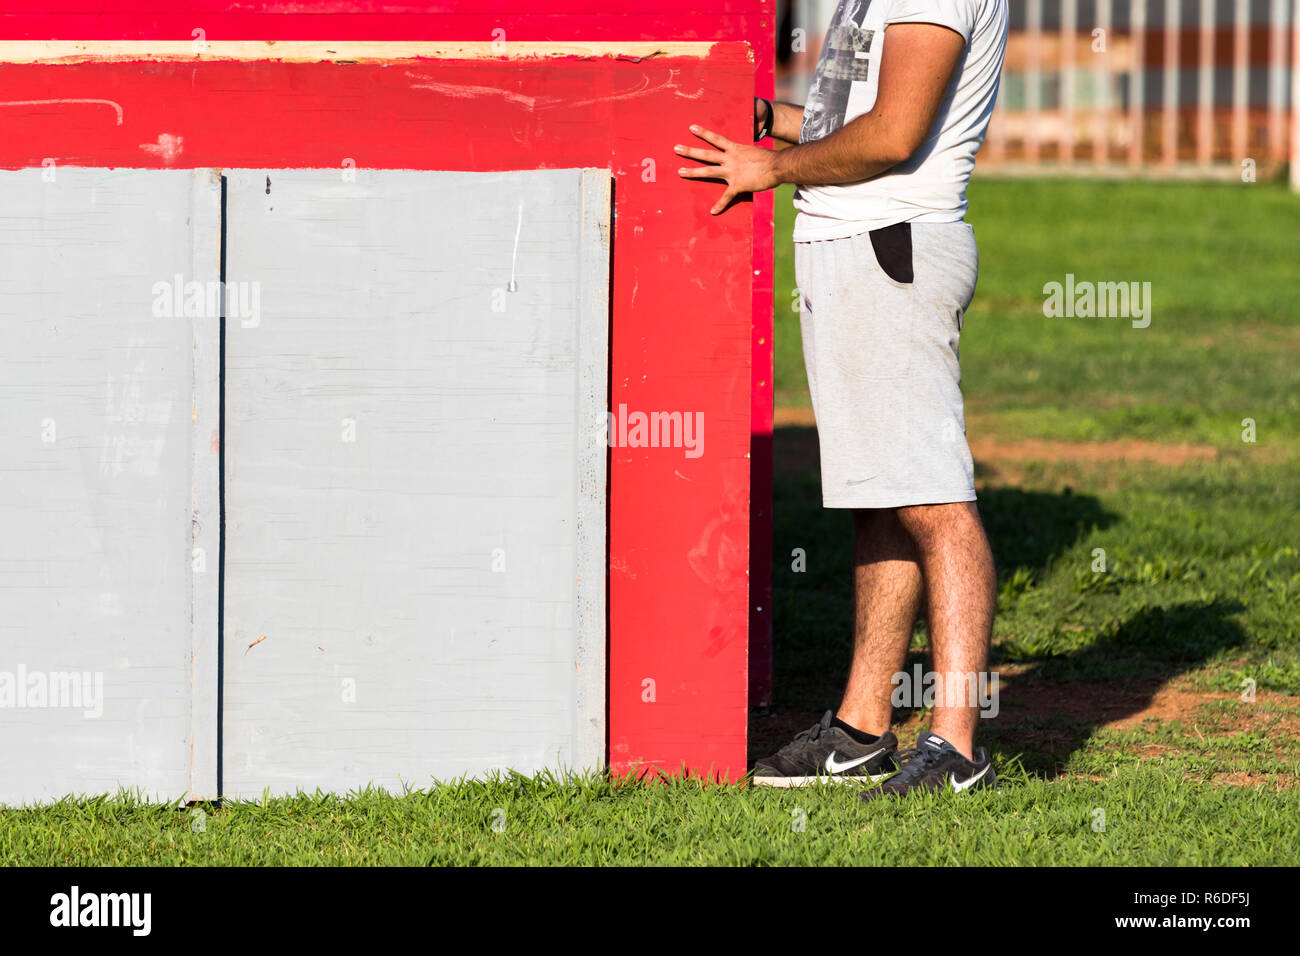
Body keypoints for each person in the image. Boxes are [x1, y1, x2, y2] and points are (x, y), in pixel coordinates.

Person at [676, 0, 1008, 798]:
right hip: (857, 249)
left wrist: (772, 167)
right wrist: (771, 120)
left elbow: (894, 134)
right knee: (884, 499)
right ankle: (861, 730)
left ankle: (958, 745)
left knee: (934, 500)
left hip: (888, 246)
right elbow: (849, 116)